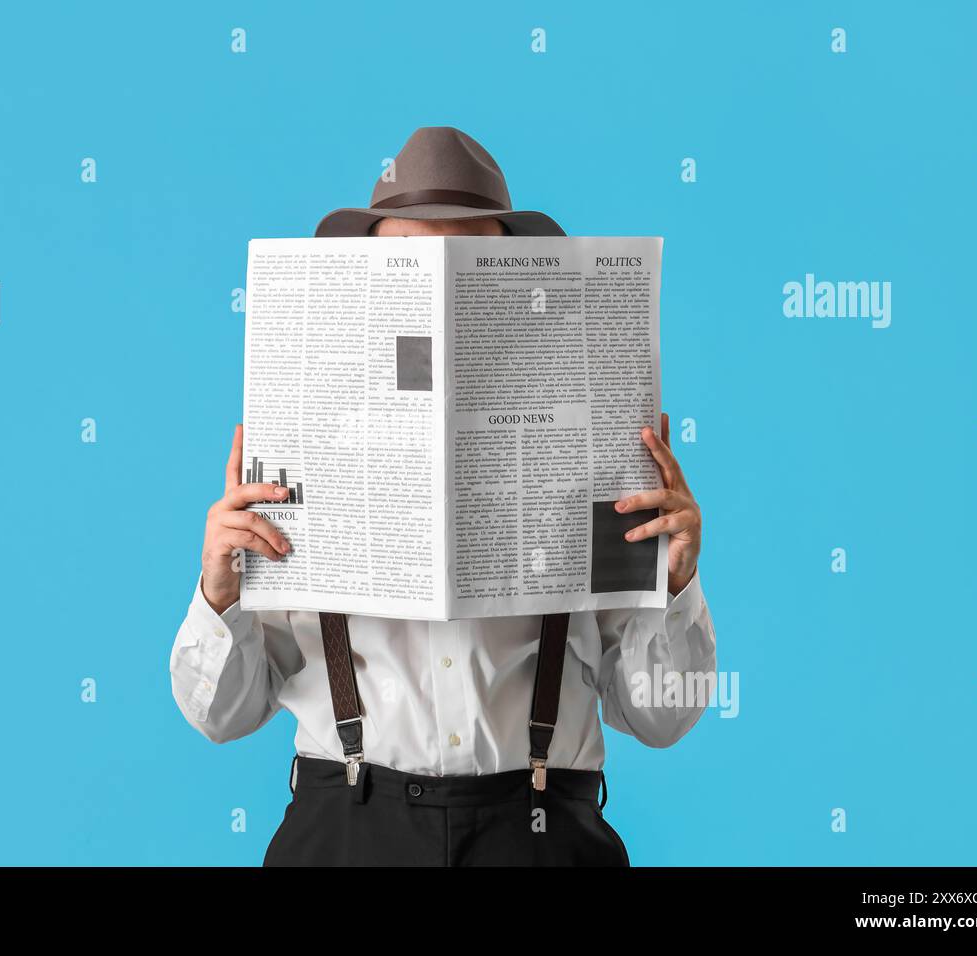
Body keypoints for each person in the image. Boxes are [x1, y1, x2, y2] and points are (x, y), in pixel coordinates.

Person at [171, 127, 716, 866]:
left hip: (542, 834)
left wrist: (676, 582)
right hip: (345, 832)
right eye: (410, 265)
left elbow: (662, 717)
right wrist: (218, 593)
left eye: (469, 263)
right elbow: (222, 716)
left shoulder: (590, 444)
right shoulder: (300, 448)